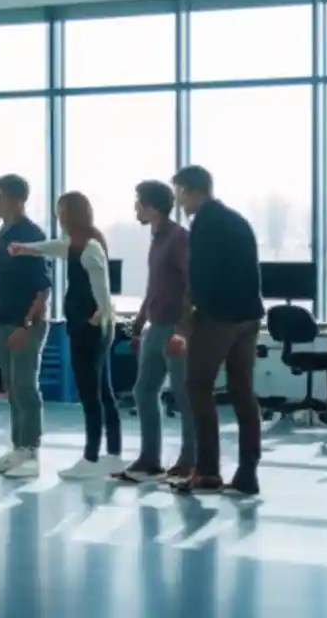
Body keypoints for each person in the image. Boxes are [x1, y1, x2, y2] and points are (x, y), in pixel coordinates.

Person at [9, 191, 124, 480]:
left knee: (91, 396)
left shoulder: (89, 247)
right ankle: (112, 456)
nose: (57, 215)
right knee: (103, 393)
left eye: (60, 210)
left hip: (90, 329)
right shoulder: (77, 244)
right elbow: (54, 247)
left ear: (71, 213)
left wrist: (100, 314)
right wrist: (26, 248)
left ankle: (92, 458)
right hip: (92, 326)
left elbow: (102, 285)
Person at [171, 166, 265, 496]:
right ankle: (248, 472)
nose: (179, 203)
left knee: (197, 385)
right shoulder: (237, 220)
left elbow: (200, 278)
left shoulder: (205, 224)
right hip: (248, 317)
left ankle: (208, 471)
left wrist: (187, 322)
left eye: (179, 193)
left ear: (189, 190)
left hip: (218, 318)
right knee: (243, 391)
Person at [114, 180, 195, 484]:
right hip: (155, 326)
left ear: (152, 207)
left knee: (184, 397)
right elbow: (154, 288)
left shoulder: (178, 239)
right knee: (143, 390)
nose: (135, 208)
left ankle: (190, 460)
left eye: (138, 203)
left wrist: (183, 330)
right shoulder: (157, 238)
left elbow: (191, 285)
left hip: (175, 327)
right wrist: (137, 326)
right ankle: (150, 459)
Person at [0, 174, 51, 479]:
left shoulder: (30, 234)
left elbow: (42, 287)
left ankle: (31, 452)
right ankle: (18, 448)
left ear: (16, 199)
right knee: (11, 389)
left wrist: (26, 324)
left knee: (25, 387)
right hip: (4, 320)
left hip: (24, 323)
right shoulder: (4, 233)